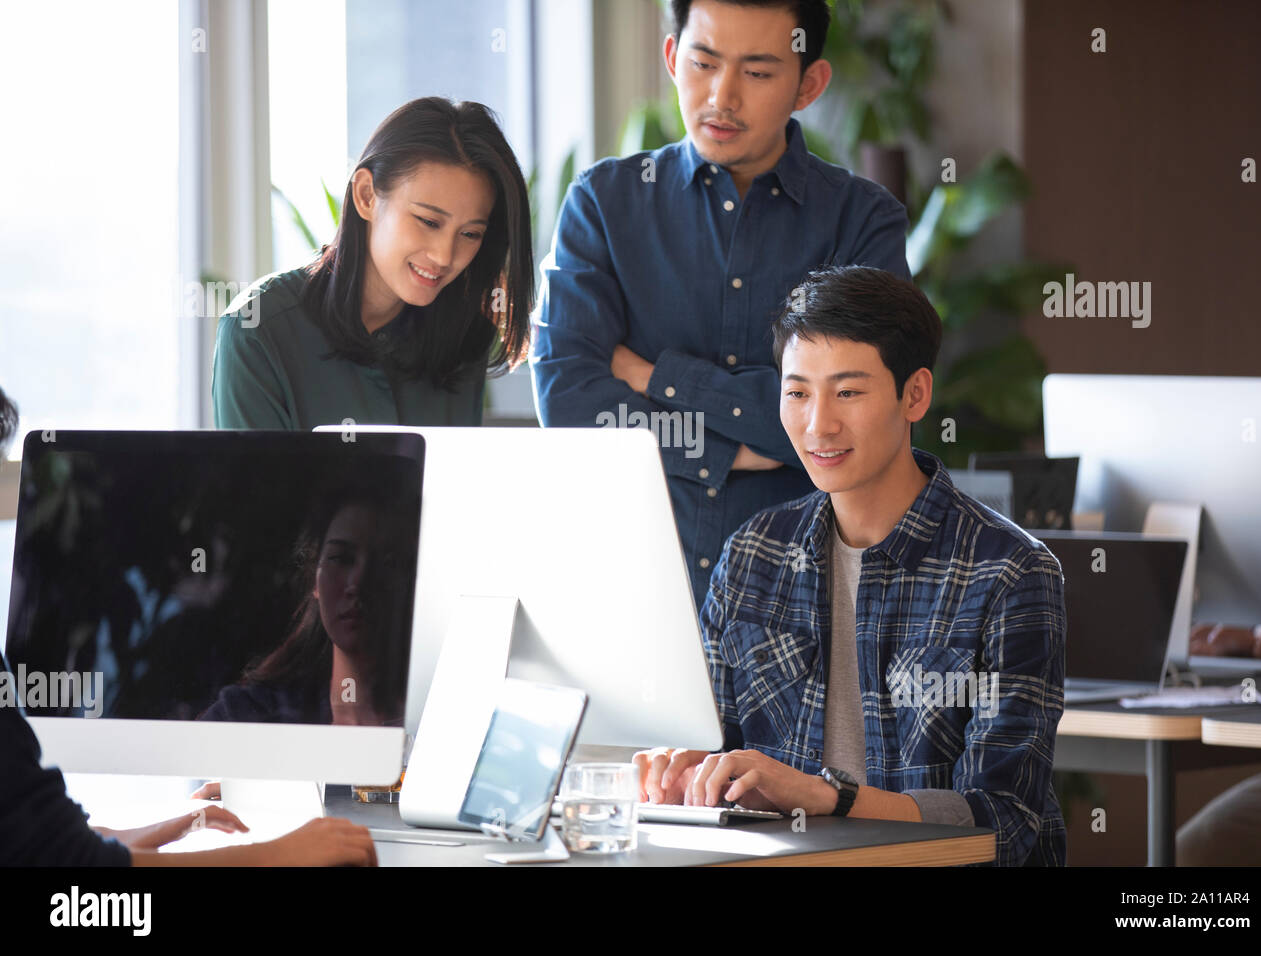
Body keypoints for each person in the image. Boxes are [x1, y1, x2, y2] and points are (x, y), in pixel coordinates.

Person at [633, 267, 1068, 866]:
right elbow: (719, 750)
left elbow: (1005, 824)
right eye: (797, 392)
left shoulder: (1010, 572)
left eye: (848, 392)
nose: (818, 425)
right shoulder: (753, 553)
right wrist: (687, 776)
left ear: (914, 394)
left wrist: (827, 798)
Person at [530, 0, 910, 609]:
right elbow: (573, 402)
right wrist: (734, 451)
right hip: (631, 593)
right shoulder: (604, 204)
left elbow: (857, 418)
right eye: (704, 63)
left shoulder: (861, 222)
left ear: (808, 84)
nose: (722, 96)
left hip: (805, 609)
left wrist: (657, 375)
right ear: (672, 58)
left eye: (757, 72)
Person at [0, 386, 377, 865]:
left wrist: (141, 831)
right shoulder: (249, 701)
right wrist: (276, 856)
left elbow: (30, 836)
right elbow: (71, 873)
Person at [213, 96, 533, 430]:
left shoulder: (463, 334)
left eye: (469, 234)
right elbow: (251, 483)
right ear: (366, 195)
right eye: (428, 221)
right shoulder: (257, 331)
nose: (444, 257)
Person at [200, 483, 415, 726]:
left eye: (386, 562)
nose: (358, 582)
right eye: (341, 558)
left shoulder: (436, 724)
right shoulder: (247, 716)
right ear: (315, 578)